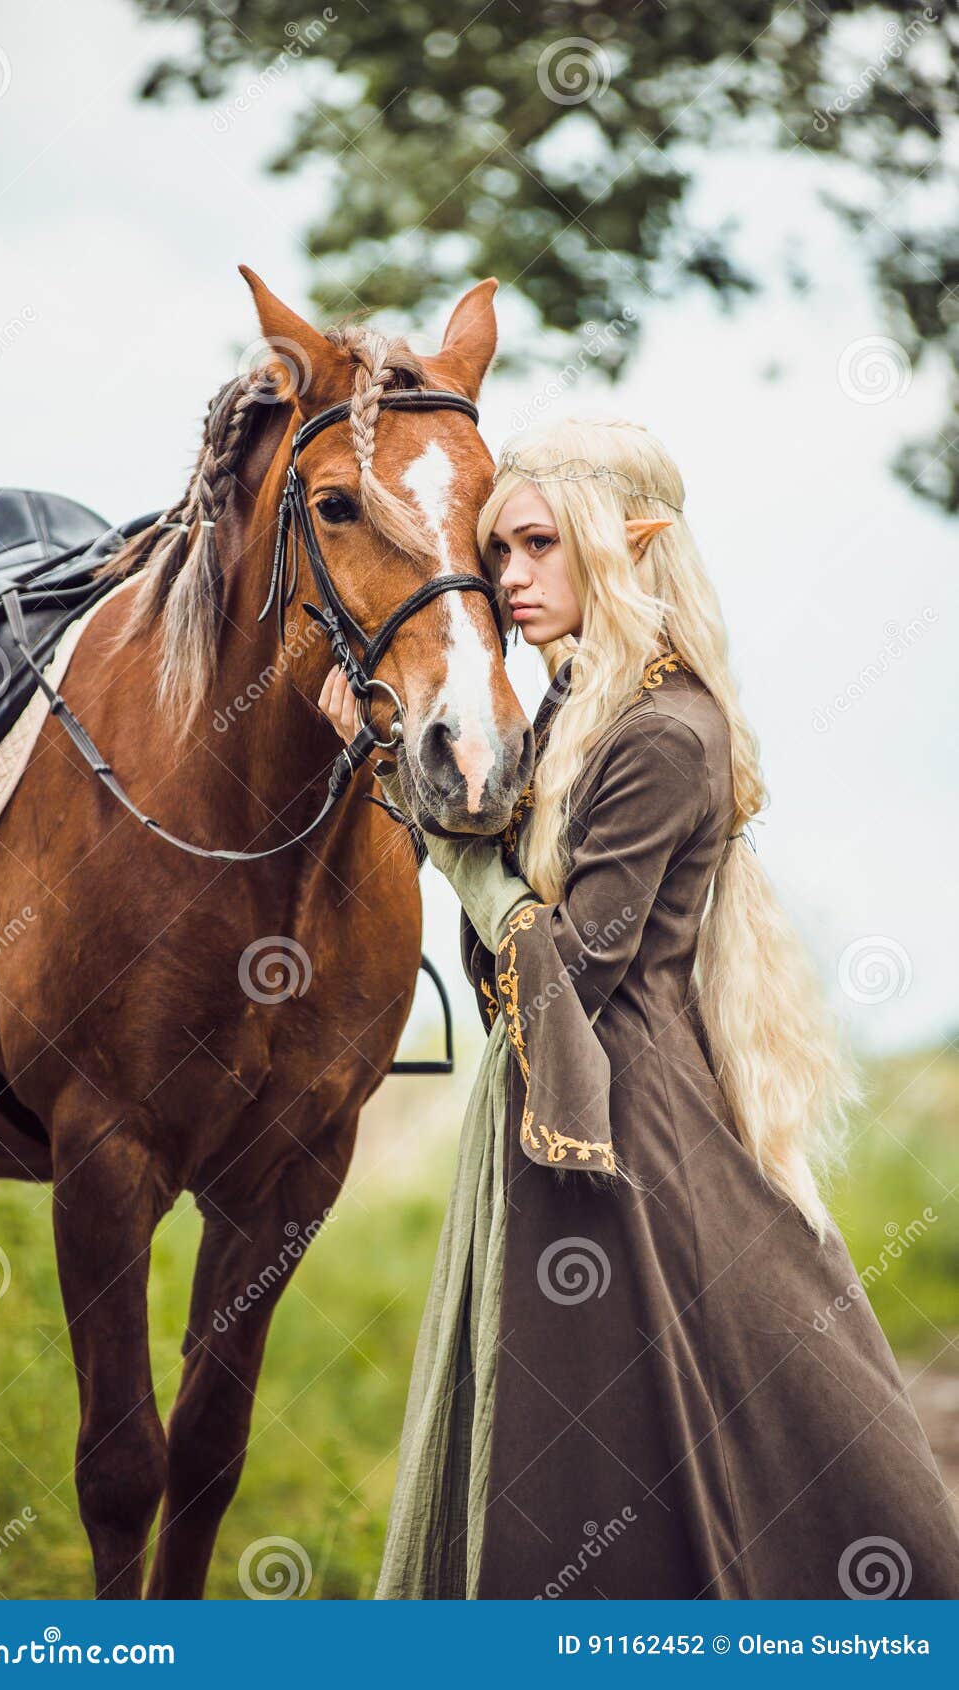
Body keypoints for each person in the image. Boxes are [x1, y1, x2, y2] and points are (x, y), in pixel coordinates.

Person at [319, 414, 959, 1601]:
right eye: (496, 550)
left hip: (628, 1119)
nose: (507, 577)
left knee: (629, 1427)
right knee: (570, 1437)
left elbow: (564, 961)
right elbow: (510, 952)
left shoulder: (671, 730)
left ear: (625, 544)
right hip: (548, 1096)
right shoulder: (575, 711)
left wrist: (455, 857)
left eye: (535, 546)